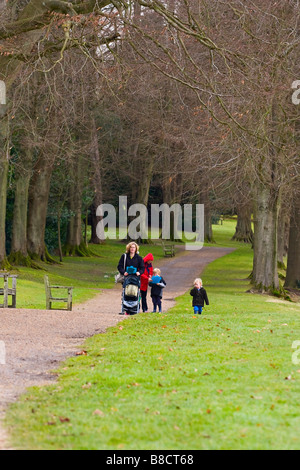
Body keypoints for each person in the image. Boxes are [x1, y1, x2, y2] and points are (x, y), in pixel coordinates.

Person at [118, 242, 145, 315]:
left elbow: (143, 268)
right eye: (131, 247)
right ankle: (126, 308)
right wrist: (124, 272)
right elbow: (119, 266)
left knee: (135, 292)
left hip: (135, 277)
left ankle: (135, 308)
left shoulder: (139, 258)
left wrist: (139, 272)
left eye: (134, 247)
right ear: (128, 248)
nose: (132, 249)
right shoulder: (124, 256)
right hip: (127, 277)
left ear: (136, 249)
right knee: (126, 291)